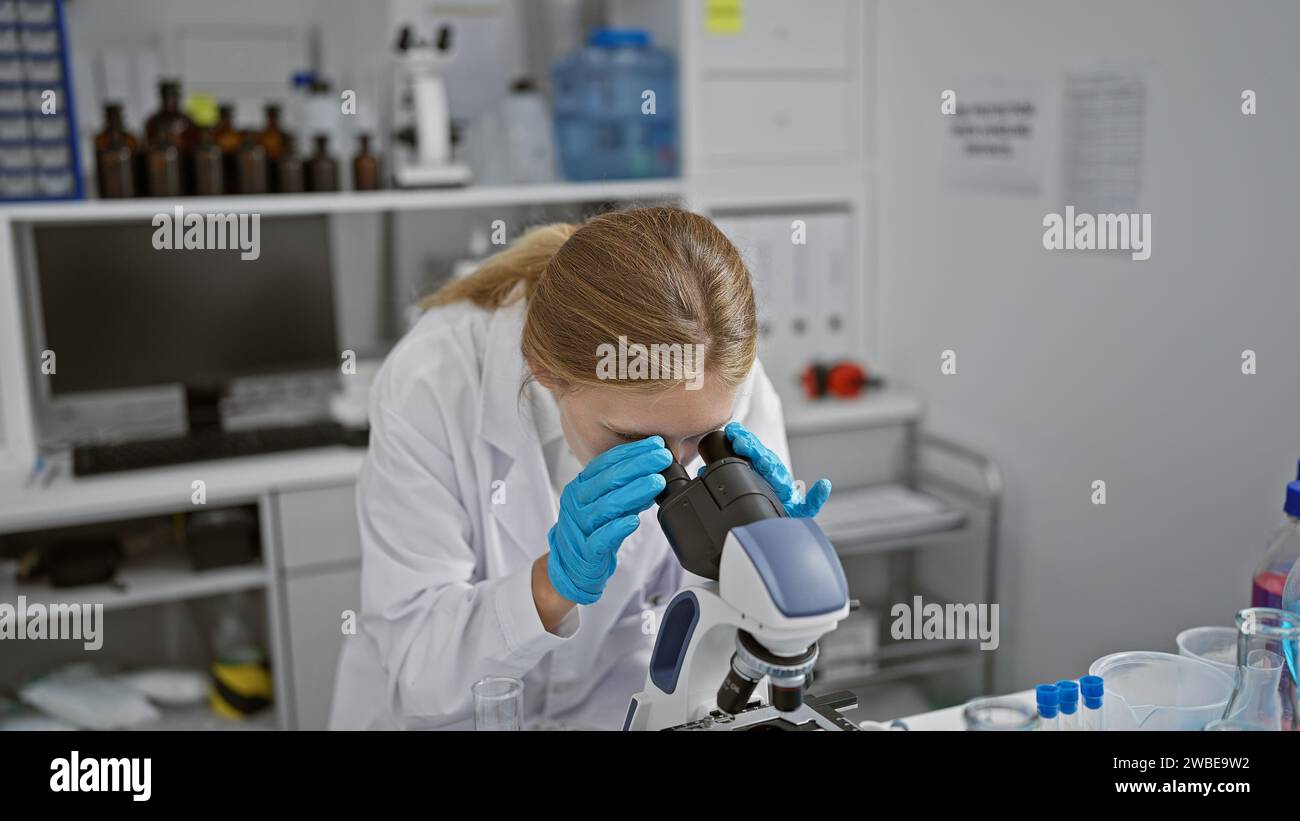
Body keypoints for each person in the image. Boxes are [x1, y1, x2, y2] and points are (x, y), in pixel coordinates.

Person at [329, 206, 830, 729]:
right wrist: (550, 586)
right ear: (543, 369)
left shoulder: (716, 372)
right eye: (633, 438)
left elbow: (743, 649)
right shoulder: (433, 380)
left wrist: (775, 568)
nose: (671, 467)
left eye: (702, 439)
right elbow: (418, 671)